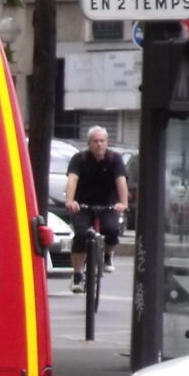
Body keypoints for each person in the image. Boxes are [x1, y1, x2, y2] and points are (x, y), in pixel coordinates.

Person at [65, 125, 129, 293]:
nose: (99, 144)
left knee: (113, 230)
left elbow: (121, 181)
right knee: (81, 235)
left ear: (107, 143)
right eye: (95, 141)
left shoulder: (115, 159)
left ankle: (108, 255)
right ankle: (77, 275)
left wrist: (123, 203)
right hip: (83, 204)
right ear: (89, 143)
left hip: (108, 204)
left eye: (102, 141)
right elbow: (72, 180)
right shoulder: (79, 159)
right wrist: (70, 201)